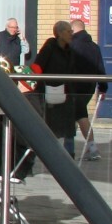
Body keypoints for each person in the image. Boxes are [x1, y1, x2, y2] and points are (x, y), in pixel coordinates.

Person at [33, 22, 82, 156]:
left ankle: (69, 155)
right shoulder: (49, 47)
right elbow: (38, 66)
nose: (71, 34)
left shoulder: (70, 51)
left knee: (69, 127)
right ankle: (50, 154)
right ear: (59, 33)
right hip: (50, 93)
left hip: (67, 93)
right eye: (68, 31)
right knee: (51, 126)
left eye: (72, 31)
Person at [67, 18, 109, 161]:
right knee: (77, 115)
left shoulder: (72, 45)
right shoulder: (94, 47)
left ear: (72, 30)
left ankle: (84, 149)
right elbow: (100, 68)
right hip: (89, 87)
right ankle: (88, 148)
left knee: (79, 115)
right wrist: (103, 88)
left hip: (73, 86)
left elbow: (68, 66)